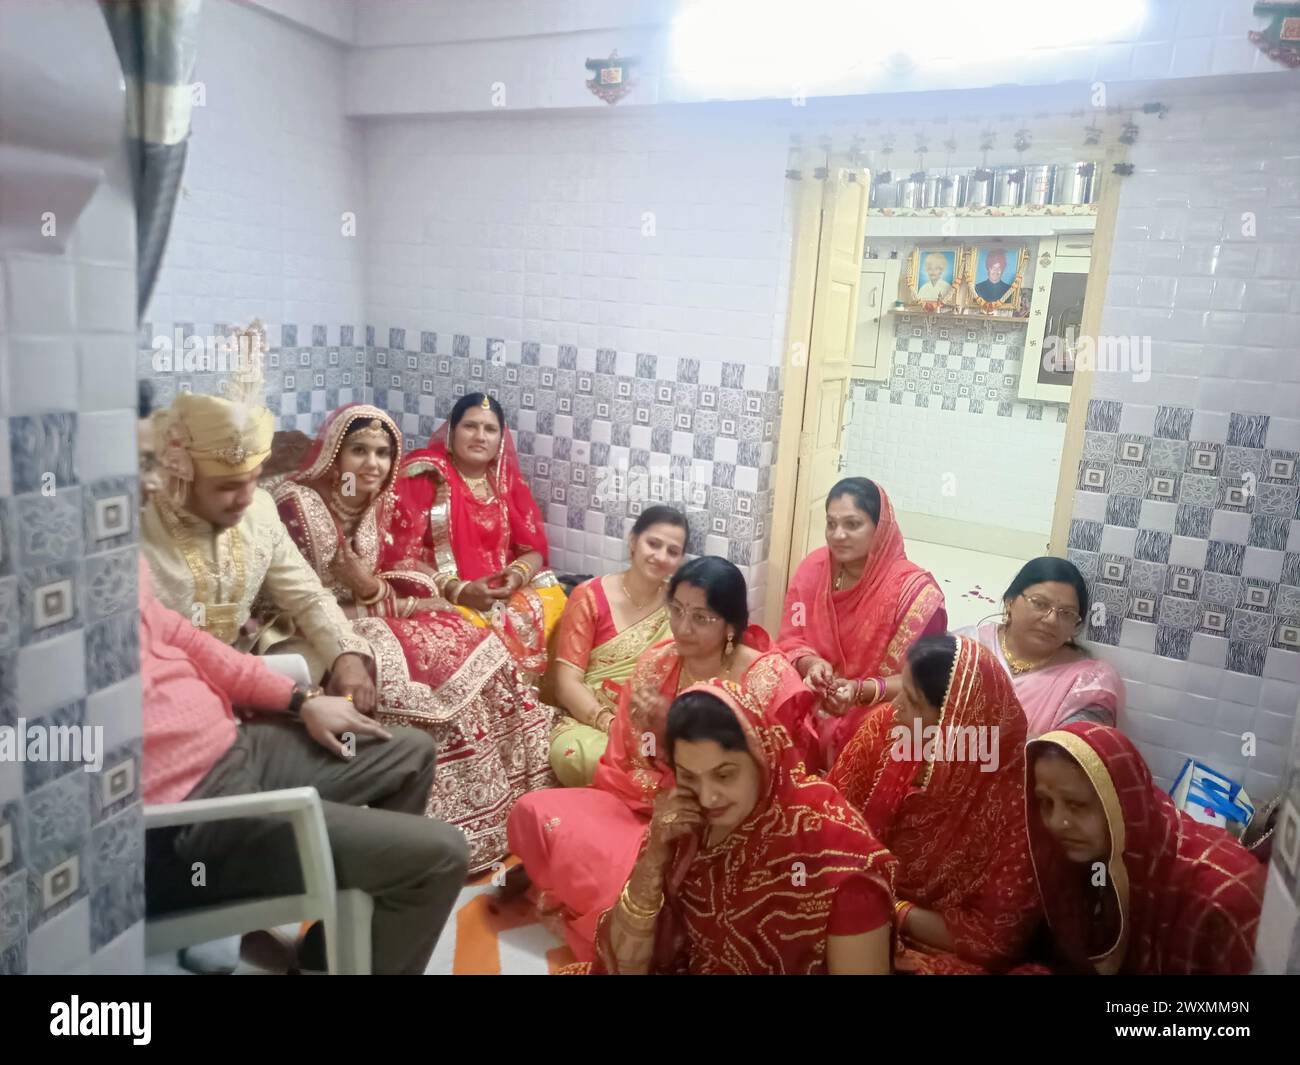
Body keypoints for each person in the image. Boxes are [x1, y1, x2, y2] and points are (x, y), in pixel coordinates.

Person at [140, 558, 469, 975]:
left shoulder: (115, 569)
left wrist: (303, 701)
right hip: (195, 819)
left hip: (238, 748)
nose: (149, 487)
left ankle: (336, 947)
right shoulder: (58, 634)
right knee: (441, 854)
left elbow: (200, 649)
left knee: (409, 753)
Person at [271, 403, 557, 871]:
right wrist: (383, 595)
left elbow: (387, 569)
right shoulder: (297, 506)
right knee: (413, 664)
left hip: (358, 612)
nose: (372, 464)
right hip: (297, 631)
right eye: (359, 451)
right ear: (335, 455)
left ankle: (502, 801)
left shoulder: (372, 502)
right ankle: (426, 825)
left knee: (465, 634)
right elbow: (304, 603)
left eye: (383, 453)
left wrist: (427, 594)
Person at [507, 556, 813, 962]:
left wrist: (671, 736)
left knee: (633, 889)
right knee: (532, 810)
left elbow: (780, 780)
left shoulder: (770, 681)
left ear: (731, 626)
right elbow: (629, 760)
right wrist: (653, 745)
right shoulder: (657, 665)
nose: (683, 628)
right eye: (677, 611)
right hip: (645, 806)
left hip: (724, 827)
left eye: (701, 618)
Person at [141, 320, 376, 708]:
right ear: (181, 478)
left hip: (246, 664)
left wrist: (347, 658)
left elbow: (306, 596)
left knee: (326, 656)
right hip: (166, 683)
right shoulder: (140, 527)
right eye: (226, 487)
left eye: (252, 481)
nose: (245, 498)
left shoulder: (261, 512)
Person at [590, 680, 897, 975]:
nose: (707, 797)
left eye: (725, 776)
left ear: (763, 758)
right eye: (689, 777)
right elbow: (625, 965)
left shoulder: (835, 857)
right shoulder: (683, 822)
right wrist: (655, 855)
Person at [829, 633, 1040, 974]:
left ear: (953, 725)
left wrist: (889, 908)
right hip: (852, 908)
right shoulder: (885, 731)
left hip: (936, 950)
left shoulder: (1014, 804)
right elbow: (830, 822)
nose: (895, 709)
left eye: (911, 701)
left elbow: (993, 939)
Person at [1027, 723, 1265, 975]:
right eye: (1045, 802)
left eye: (1076, 805)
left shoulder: (1219, 901)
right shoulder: (1086, 861)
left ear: (1122, 802)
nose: (1056, 822)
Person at [386, 392, 566, 674]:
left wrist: (516, 575)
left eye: (490, 429)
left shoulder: (505, 482)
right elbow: (397, 556)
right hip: (442, 592)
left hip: (501, 592)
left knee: (556, 603)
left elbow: (532, 551)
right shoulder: (426, 475)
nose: (480, 436)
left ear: (500, 440)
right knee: (465, 632)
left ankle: (526, 699)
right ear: (452, 432)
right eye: (470, 426)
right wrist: (459, 590)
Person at [777, 477, 946, 771]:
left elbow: (923, 682)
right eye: (831, 524)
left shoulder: (916, 597)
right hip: (815, 694)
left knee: (876, 731)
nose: (838, 535)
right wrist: (811, 663)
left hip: (877, 707)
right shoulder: (813, 570)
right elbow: (792, 636)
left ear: (879, 528)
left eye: (852, 524)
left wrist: (859, 690)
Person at [548, 505, 688, 786]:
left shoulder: (681, 604)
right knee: (577, 756)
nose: (661, 557)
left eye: (672, 552)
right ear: (634, 541)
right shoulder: (589, 596)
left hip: (654, 725)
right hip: (591, 722)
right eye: (653, 544)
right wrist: (611, 724)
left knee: (679, 760)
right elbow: (567, 683)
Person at [955, 556, 1124, 737]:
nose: (1051, 620)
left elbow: (1071, 755)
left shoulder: (1088, 683)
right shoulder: (966, 647)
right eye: (1039, 603)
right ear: (1010, 601)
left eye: (1067, 613)